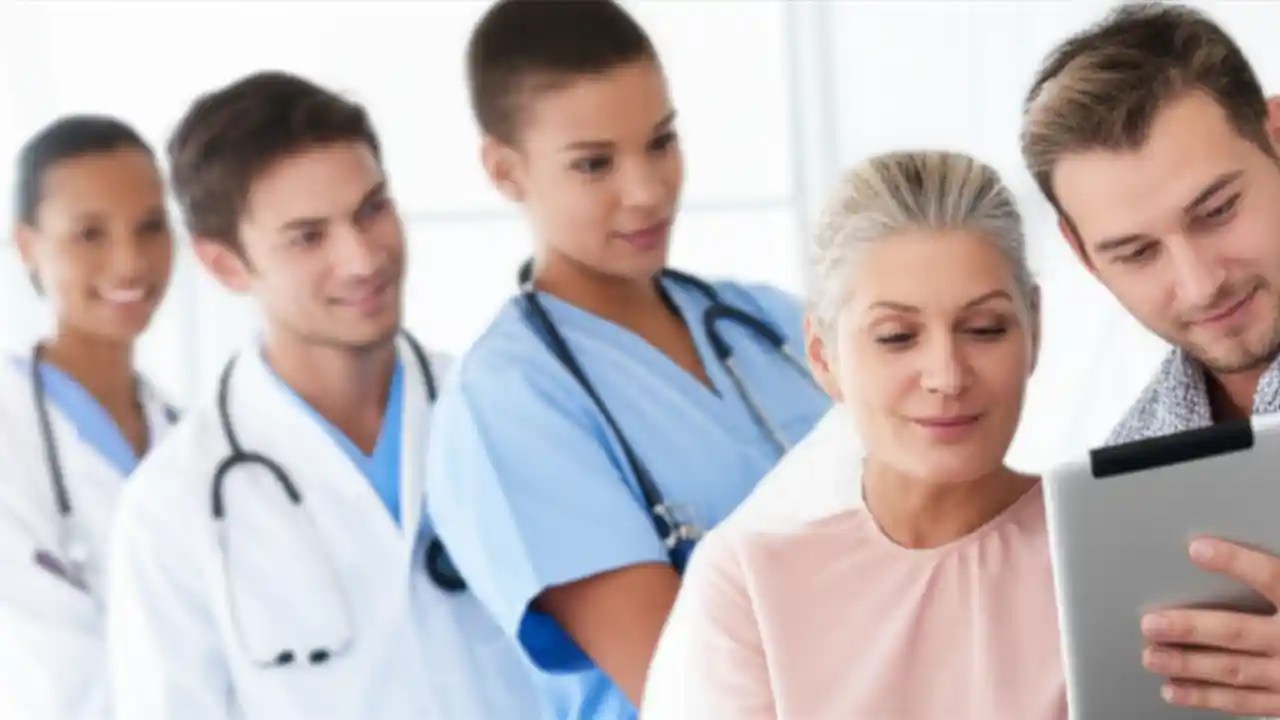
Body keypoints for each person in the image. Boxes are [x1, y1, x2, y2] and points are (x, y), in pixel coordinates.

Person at [424, 1, 831, 717]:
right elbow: (695, 693)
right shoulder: (512, 400)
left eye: (661, 141)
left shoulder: (769, 323)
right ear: (505, 169)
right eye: (594, 164)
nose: (647, 190)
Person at [105, 72, 536, 719]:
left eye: (371, 209)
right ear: (225, 265)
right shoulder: (173, 509)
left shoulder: (505, 413)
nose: (363, 258)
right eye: (308, 236)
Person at [641, 150, 1066, 720]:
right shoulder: (751, 582)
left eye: (984, 329)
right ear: (823, 354)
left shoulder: (1100, 551)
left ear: (1033, 328)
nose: (946, 375)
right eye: (896, 337)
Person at [1022, 2, 1280, 715]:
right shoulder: (1124, 479)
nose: (1201, 284)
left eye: (1219, 210)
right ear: (1085, 257)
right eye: (1137, 253)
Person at [0, 115, 178, 720]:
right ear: (27, 245)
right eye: (90, 234)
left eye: (150, 227)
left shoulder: (190, 440)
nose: (130, 263)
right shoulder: (9, 436)